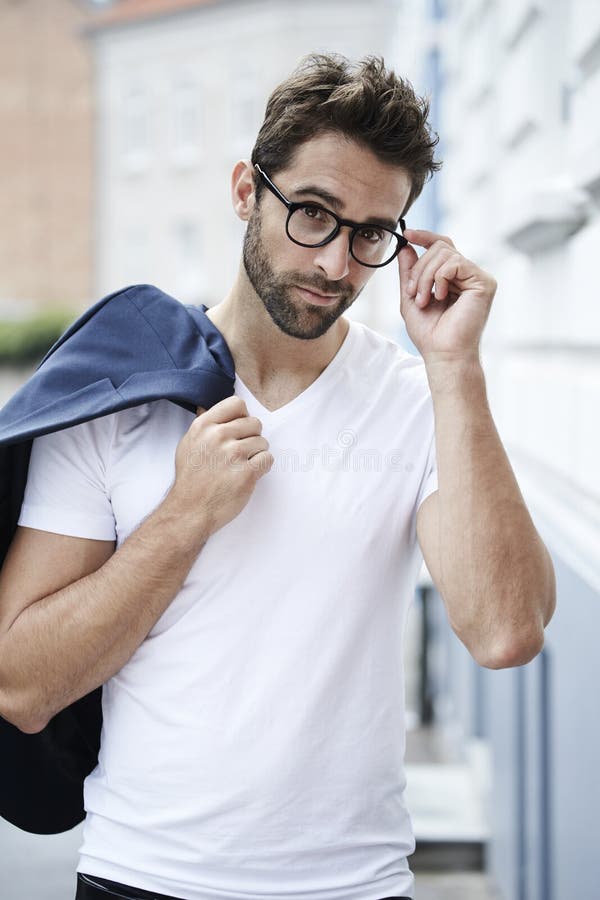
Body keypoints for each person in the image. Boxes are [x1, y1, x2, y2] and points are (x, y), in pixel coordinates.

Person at [0, 53, 555, 900]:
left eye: (371, 233)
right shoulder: (120, 392)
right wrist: (184, 516)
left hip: (354, 884)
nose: (336, 264)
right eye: (313, 213)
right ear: (244, 191)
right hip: (140, 874)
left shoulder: (420, 399)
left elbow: (505, 633)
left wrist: (456, 369)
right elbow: (22, 684)